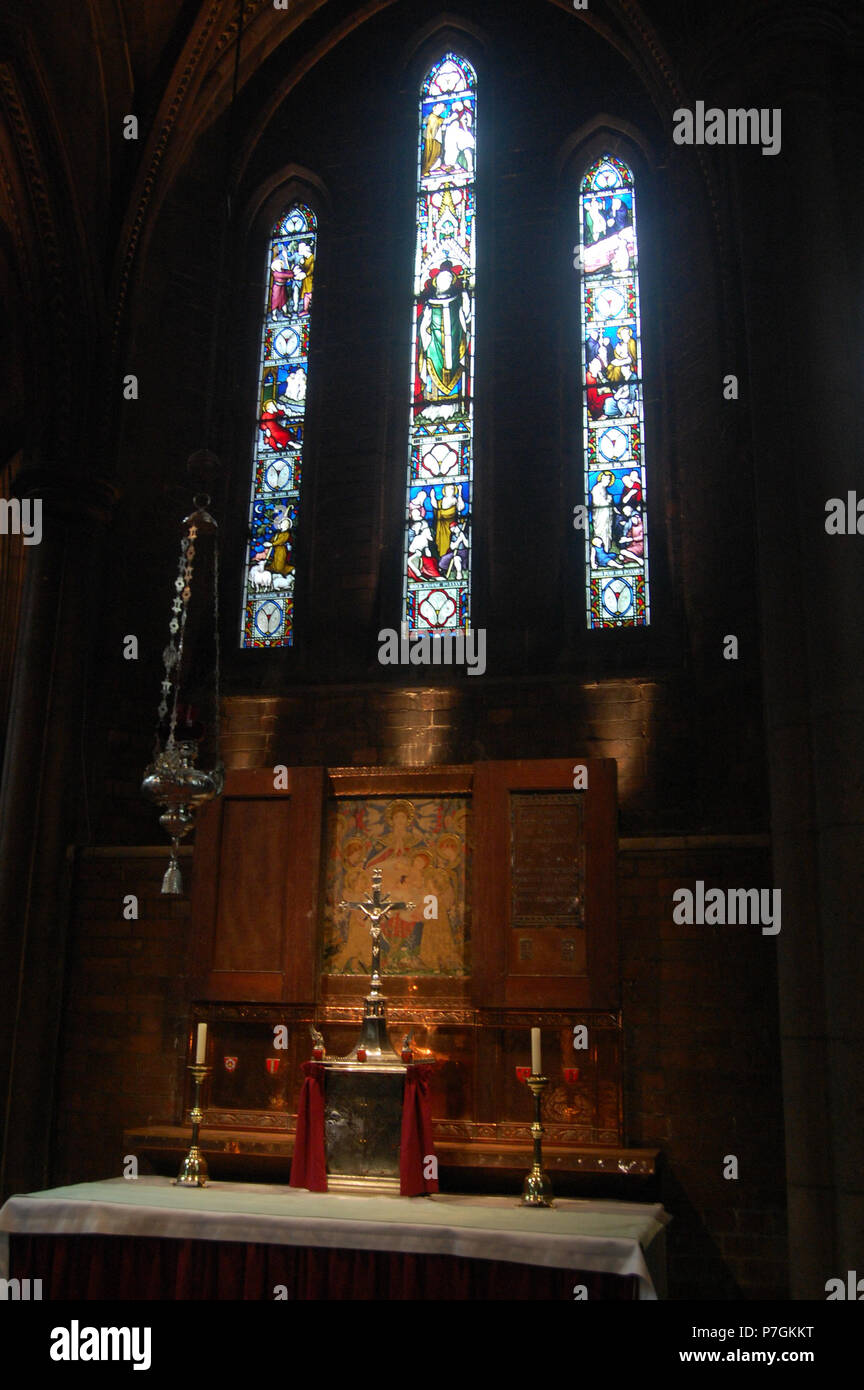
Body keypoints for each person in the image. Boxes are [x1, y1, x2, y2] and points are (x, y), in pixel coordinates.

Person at [269, 244, 291, 316]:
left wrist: (286, 258)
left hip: (282, 287)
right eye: (278, 264)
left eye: (281, 264)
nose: (280, 265)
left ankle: (285, 312)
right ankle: (274, 314)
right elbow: (289, 274)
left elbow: (289, 271)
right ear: (275, 266)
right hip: (277, 288)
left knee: (284, 300)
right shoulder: (276, 273)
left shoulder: (282, 270)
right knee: (275, 301)